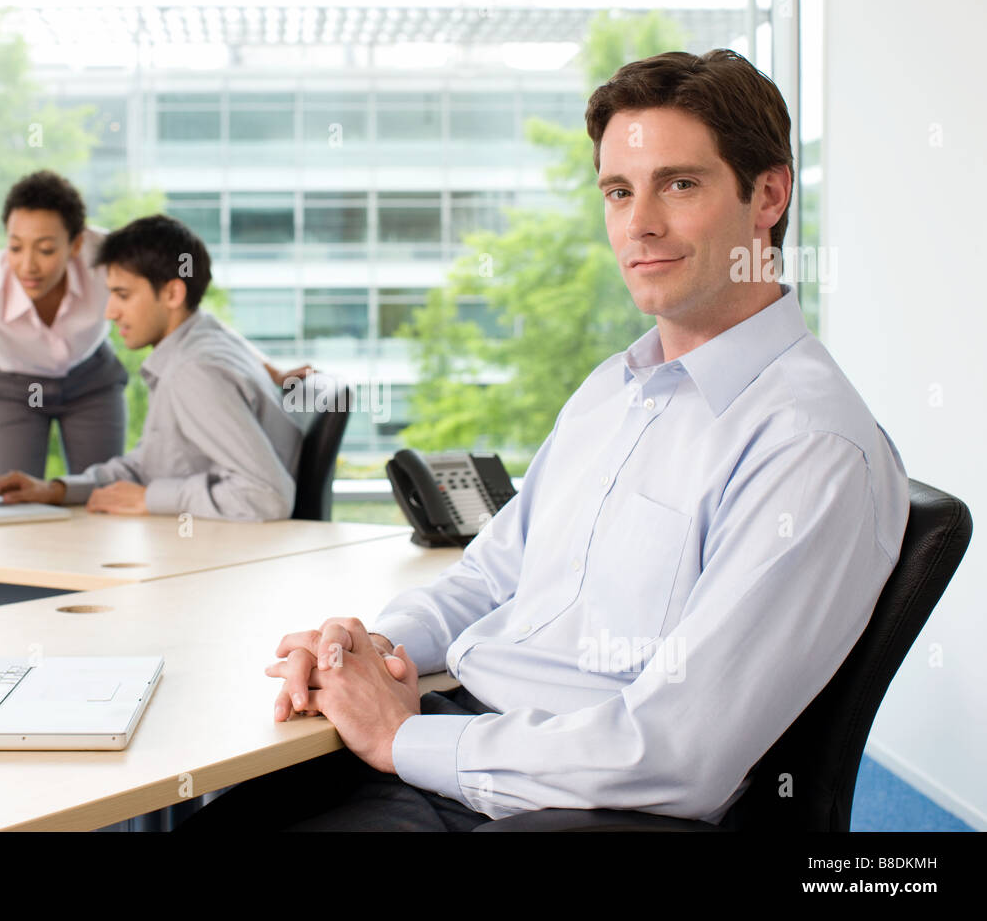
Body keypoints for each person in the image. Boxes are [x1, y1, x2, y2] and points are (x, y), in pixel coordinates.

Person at [179, 49, 910, 830]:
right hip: (458, 737)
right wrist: (371, 650)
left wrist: (402, 737)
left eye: (681, 184)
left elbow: (675, 753)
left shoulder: (810, 445)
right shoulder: (613, 390)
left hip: (548, 799)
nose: (640, 224)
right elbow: (490, 578)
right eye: (619, 191)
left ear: (767, 195)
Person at [0, 170, 302, 478]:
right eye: (15, 247)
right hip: (13, 389)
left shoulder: (108, 256)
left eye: (45, 249)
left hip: (90, 382)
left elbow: (186, 312)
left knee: (103, 496)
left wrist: (269, 369)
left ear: (76, 244)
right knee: (12, 496)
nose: (27, 265)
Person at [0, 215, 304, 522]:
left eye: (122, 294)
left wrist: (150, 499)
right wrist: (56, 490)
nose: (110, 313)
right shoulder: (196, 345)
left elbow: (268, 496)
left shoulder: (195, 371)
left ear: (173, 292)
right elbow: (150, 466)